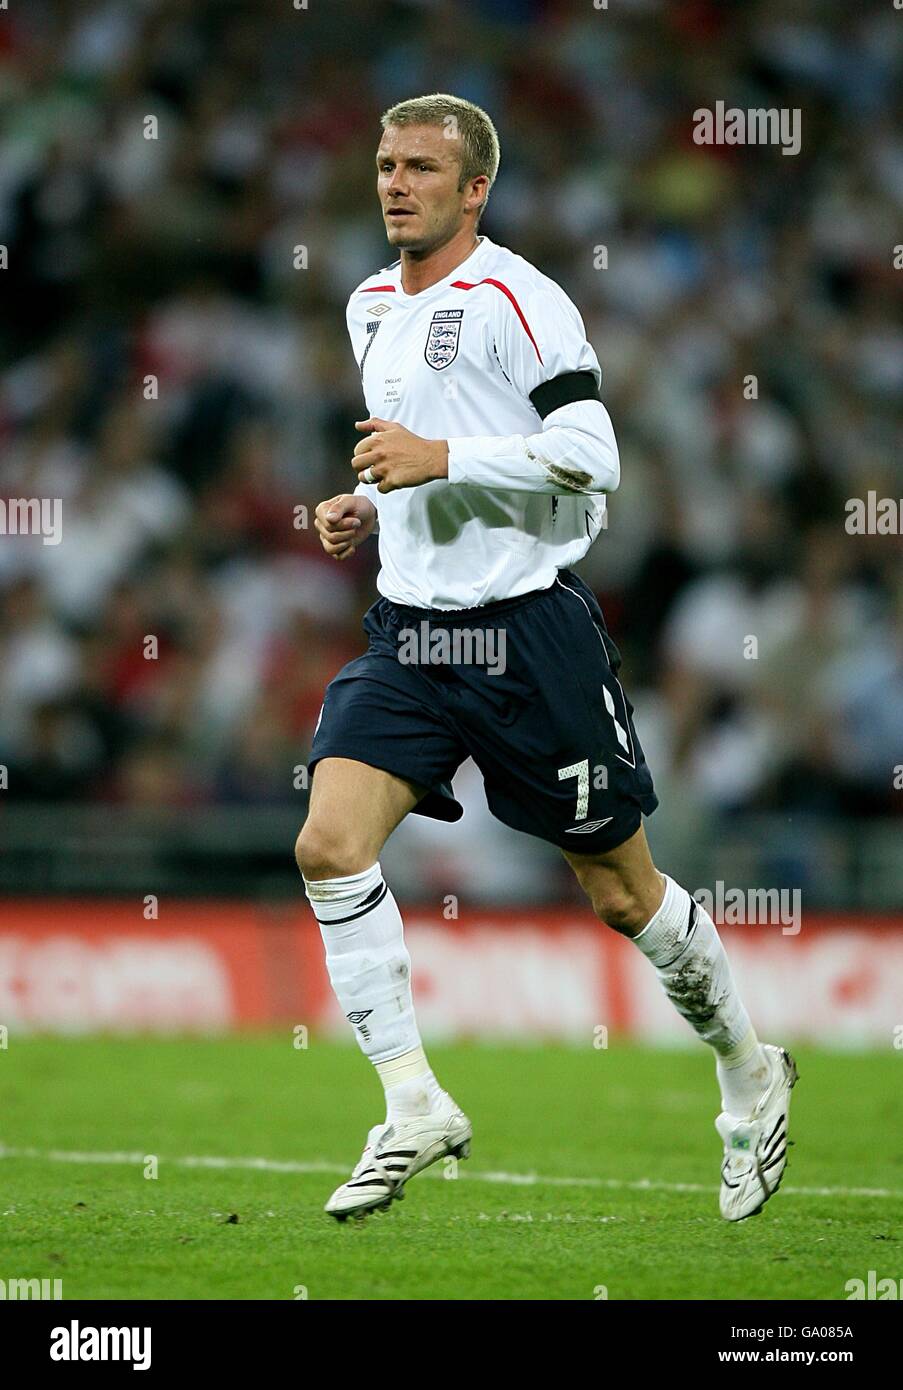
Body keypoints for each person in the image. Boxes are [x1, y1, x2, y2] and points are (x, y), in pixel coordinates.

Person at [297, 93, 796, 1223]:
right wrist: (369, 501)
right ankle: (413, 1100)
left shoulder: (524, 298)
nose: (395, 182)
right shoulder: (368, 304)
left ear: (475, 189)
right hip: (413, 634)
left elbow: (591, 456)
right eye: (384, 162)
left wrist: (442, 458)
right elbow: (413, 457)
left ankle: (750, 1067)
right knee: (328, 842)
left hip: (527, 635)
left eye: (423, 166)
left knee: (624, 893)